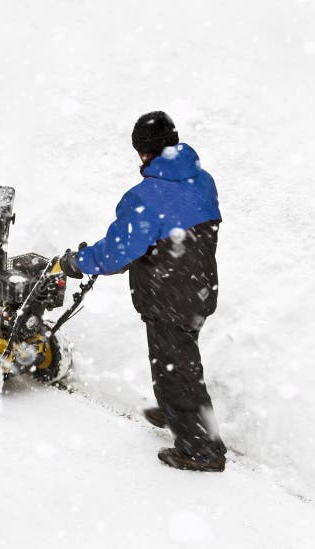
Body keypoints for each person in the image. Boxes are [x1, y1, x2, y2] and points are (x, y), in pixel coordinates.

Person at [59, 111, 227, 472]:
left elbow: (119, 252)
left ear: (143, 153)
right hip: (200, 289)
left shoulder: (146, 197)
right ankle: (177, 413)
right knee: (180, 358)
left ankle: (200, 451)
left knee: (175, 367)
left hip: (168, 296)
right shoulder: (203, 180)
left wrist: (78, 262)